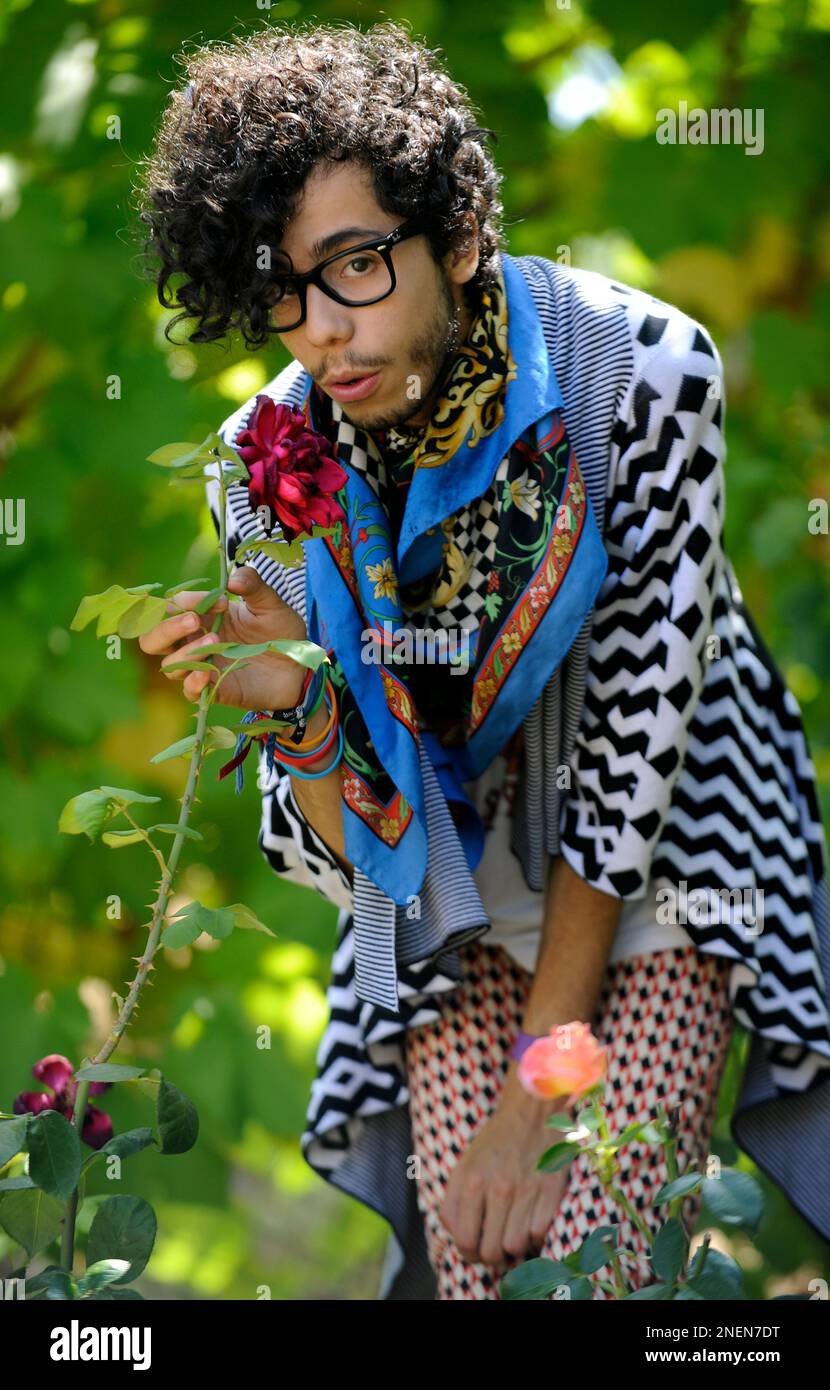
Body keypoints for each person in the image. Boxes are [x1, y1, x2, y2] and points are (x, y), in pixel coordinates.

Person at [135, 20, 830, 1299]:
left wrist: (534, 1093)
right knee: (481, 1262)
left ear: (455, 236)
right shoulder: (264, 463)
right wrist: (296, 710)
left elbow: (633, 760)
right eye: (282, 290)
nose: (319, 333)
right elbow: (345, 861)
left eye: (352, 266)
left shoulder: (641, 378)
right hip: (445, 888)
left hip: (671, 845)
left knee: (605, 1246)